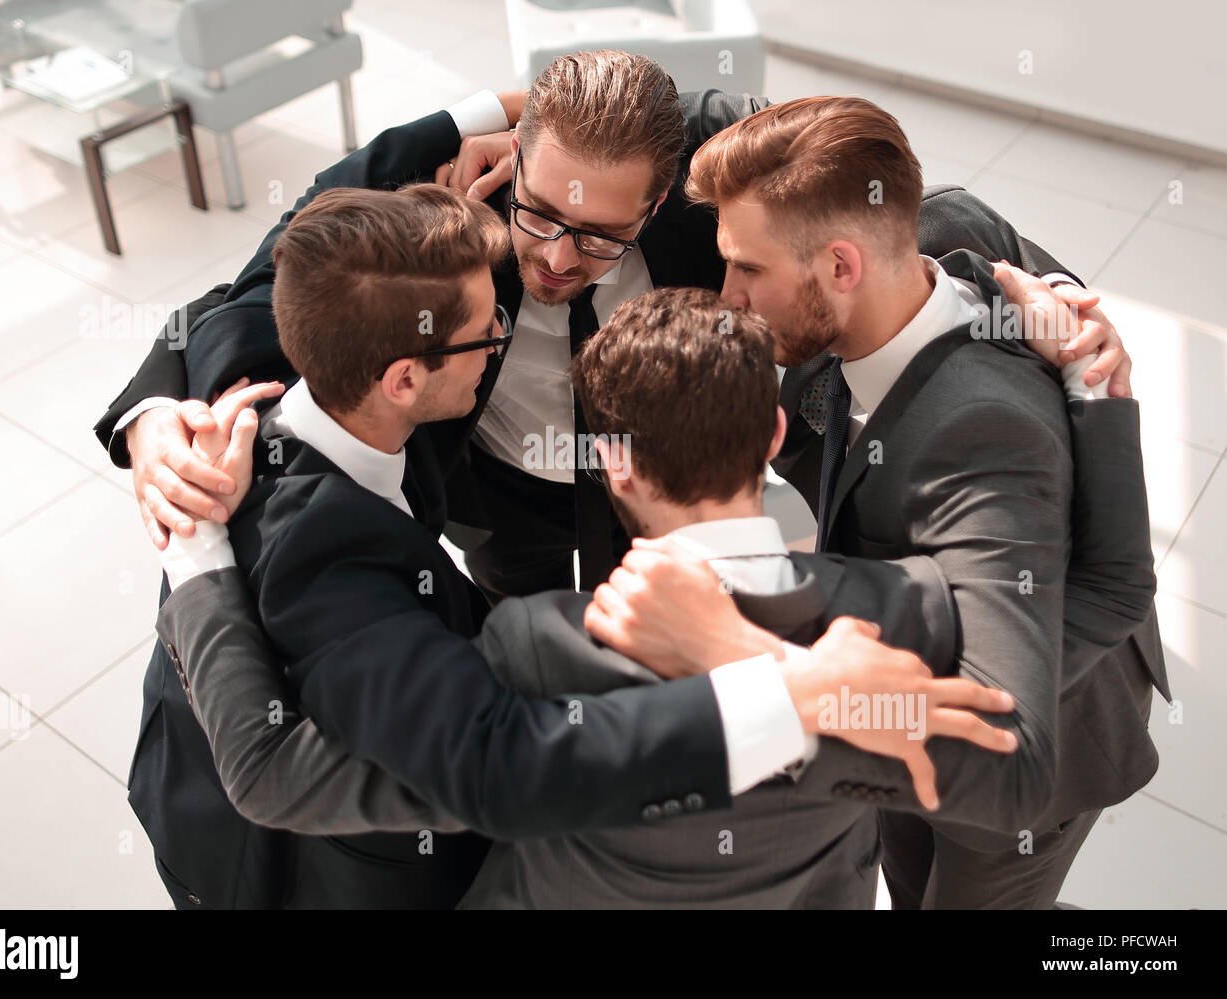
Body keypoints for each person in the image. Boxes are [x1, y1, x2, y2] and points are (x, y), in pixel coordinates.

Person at [135, 182, 1013, 909]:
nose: (505, 346)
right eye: (489, 336)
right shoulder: (904, 607)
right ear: (776, 432)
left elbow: (271, 269)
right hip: (285, 868)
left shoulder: (534, 640)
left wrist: (496, 112)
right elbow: (454, 763)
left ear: (613, 466)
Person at [92, 50, 1132, 603]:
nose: (551, 260)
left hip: (686, 475)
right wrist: (153, 418)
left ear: (664, 192)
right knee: (529, 631)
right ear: (508, 157)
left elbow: (903, 208)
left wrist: (1054, 310)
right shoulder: (440, 177)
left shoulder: (711, 152)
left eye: (597, 237)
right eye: (535, 217)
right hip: (503, 500)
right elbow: (249, 290)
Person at [599, 94, 1167, 909]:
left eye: (748, 269)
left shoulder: (978, 435)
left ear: (840, 266)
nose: (728, 296)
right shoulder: (938, 236)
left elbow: (1009, 731)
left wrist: (775, 673)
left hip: (1024, 759)